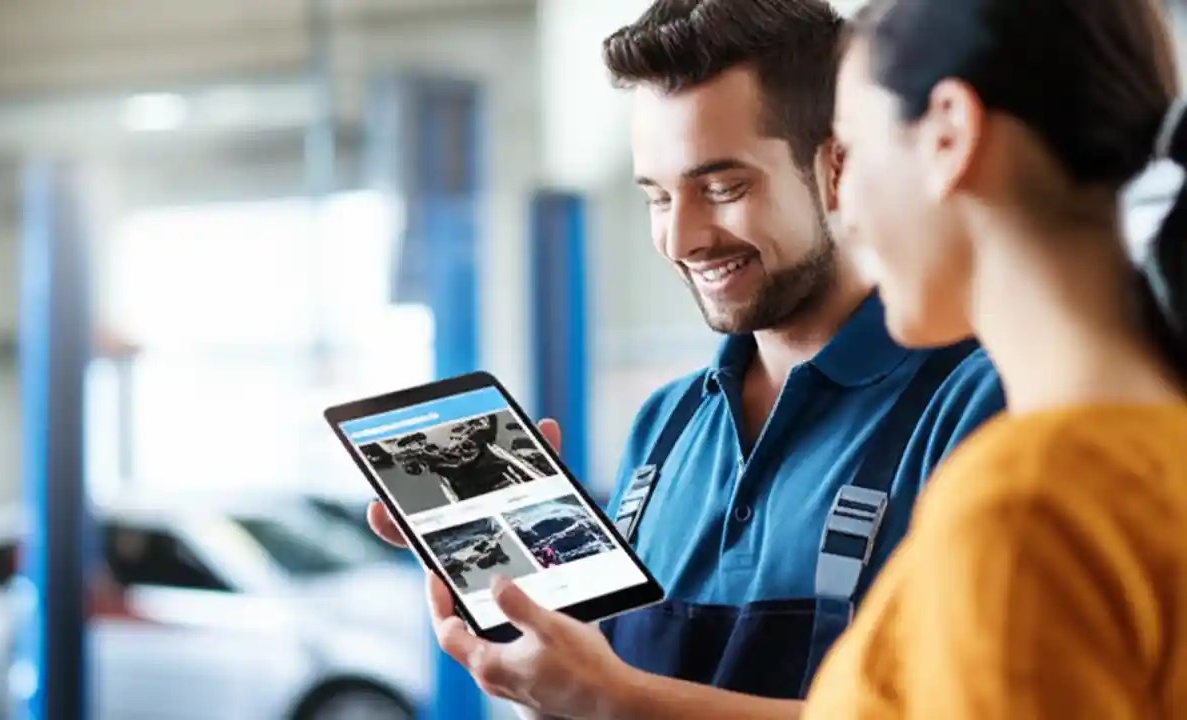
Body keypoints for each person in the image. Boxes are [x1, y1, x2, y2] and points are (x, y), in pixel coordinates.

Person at [369, 1, 1005, 717]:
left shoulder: (977, 406)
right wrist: (538, 669)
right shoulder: (664, 429)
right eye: (657, 197)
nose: (682, 239)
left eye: (722, 189)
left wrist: (616, 697)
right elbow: (598, 699)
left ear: (839, 166)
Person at [802, 0, 1187, 717]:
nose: (841, 207)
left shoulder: (1028, 508)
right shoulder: (1154, 455)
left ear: (949, 134)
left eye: (850, 149)